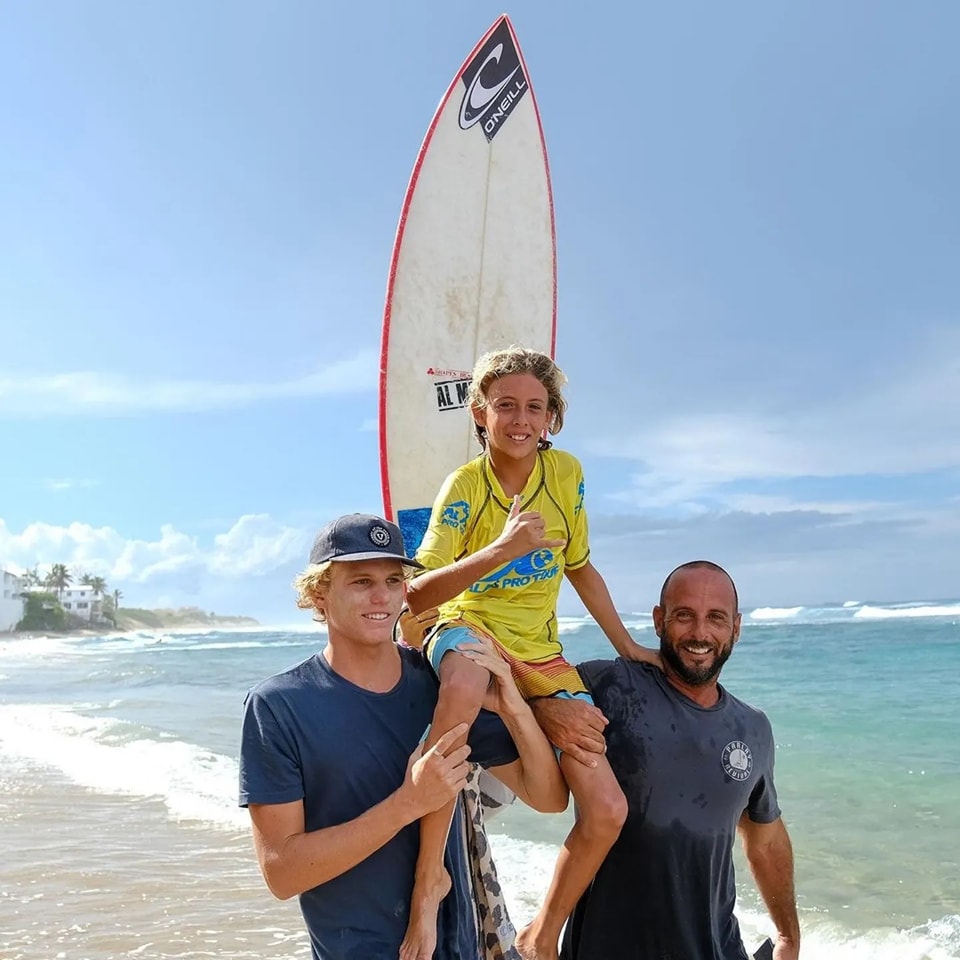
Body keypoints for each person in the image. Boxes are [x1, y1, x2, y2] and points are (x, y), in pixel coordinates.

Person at [400, 347, 659, 960]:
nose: (521, 418)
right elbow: (417, 595)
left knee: (607, 809)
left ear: (551, 419)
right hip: (468, 627)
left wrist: (626, 646)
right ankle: (430, 878)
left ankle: (544, 935)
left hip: (541, 652)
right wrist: (502, 549)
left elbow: (580, 565)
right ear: (481, 414)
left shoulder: (566, 474)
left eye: (535, 407)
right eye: (506, 405)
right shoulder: (464, 486)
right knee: (464, 685)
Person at [238, 513, 568, 960]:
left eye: (394, 581)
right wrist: (408, 803)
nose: (382, 597)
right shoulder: (277, 707)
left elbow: (548, 798)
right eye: (360, 582)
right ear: (320, 594)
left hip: (457, 945)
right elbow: (282, 873)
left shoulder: (441, 686)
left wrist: (515, 709)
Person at [533, 560, 801, 960]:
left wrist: (788, 937)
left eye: (716, 618)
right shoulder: (607, 685)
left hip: (715, 949)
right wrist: (543, 706)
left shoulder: (753, 728)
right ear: (659, 620)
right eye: (684, 616)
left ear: (736, 627)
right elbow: (512, 691)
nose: (700, 633)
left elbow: (765, 840)